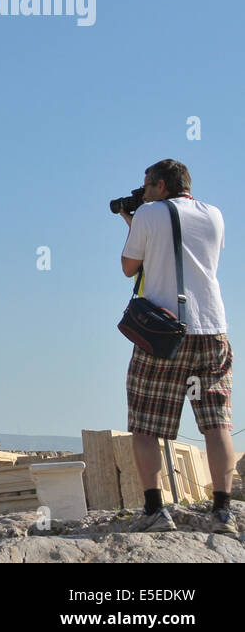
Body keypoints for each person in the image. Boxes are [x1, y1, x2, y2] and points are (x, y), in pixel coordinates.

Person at [120, 159, 237, 534]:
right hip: (213, 329)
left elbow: (129, 266)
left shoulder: (149, 214)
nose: (144, 192)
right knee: (216, 421)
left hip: (164, 332)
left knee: (144, 423)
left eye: (147, 186)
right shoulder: (215, 214)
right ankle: (222, 511)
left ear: (161, 186)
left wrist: (132, 220)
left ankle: (155, 509)